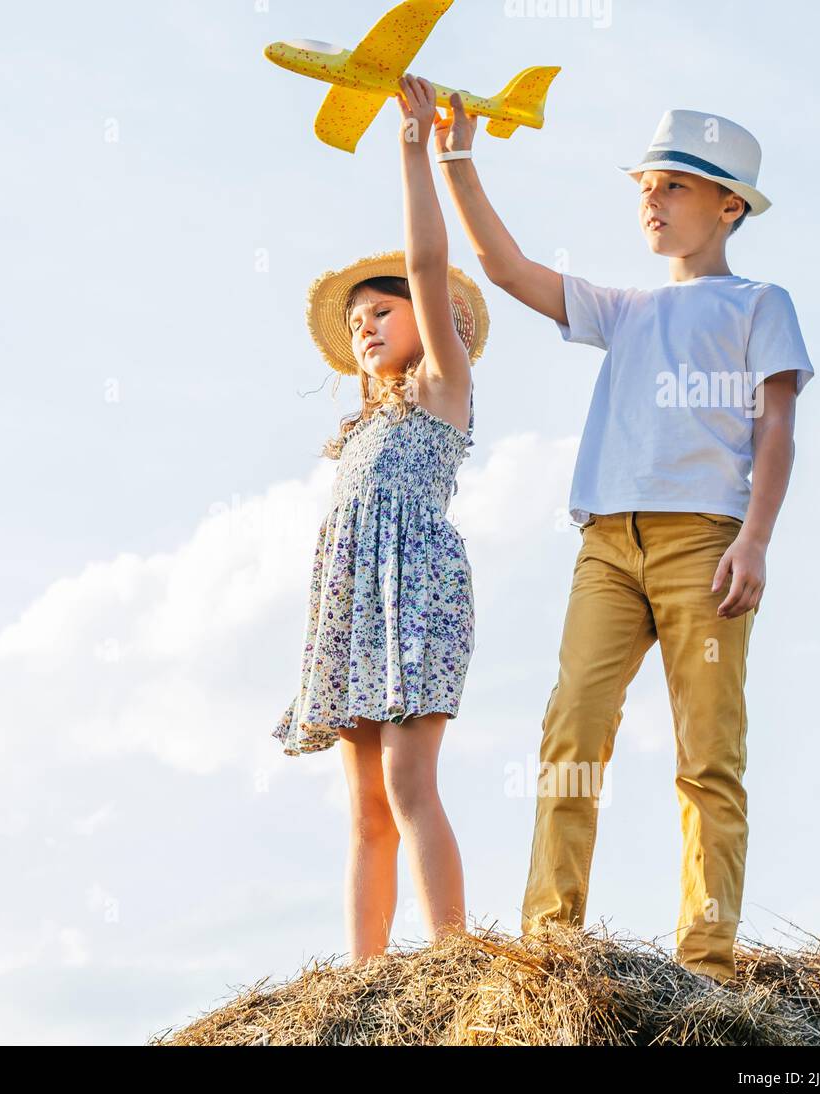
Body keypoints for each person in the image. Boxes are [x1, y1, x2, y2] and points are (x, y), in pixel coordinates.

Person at [434, 102, 815, 985]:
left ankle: (709, 966)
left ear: (729, 207)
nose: (652, 200)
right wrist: (456, 157)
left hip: (706, 545)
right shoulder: (625, 307)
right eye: (645, 186)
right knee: (571, 731)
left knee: (709, 754)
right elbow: (506, 268)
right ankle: (550, 944)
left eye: (673, 185)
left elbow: (778, 431)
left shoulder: (762, 303)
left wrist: (754, 542)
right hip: (606, 545)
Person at [271, 76, 489, 963]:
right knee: (362, 806)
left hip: (419, 599)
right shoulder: (360, 428)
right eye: (357, 318)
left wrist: (415, 152)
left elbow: (428, 266)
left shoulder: (442, 389)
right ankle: (362, 980)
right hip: (356, 604)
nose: (367, 324)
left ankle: (456, 965)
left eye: (382, 310)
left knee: (407, 782)